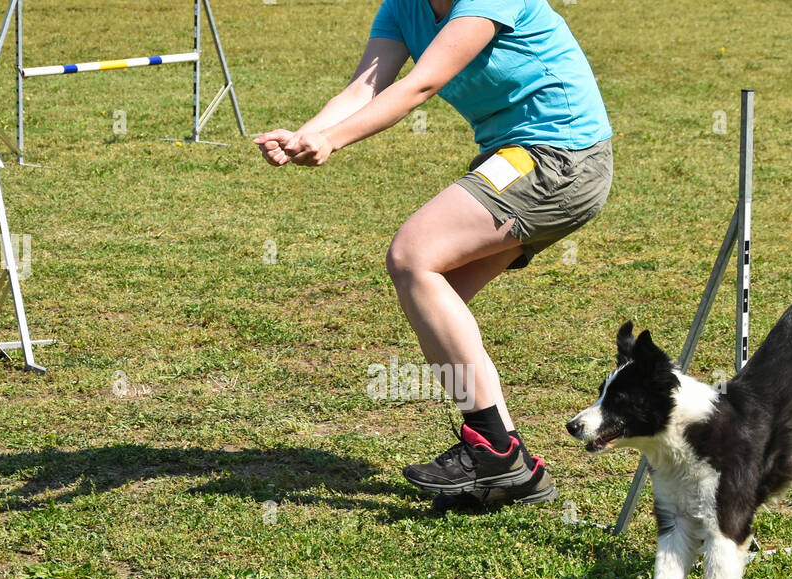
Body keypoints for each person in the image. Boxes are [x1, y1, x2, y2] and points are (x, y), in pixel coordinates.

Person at [256, 0, 612, 508]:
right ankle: (513, 469)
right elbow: (366, 86)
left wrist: (333, 141)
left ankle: (491, 447)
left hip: (562, 157)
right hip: (512, 157)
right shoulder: (401, 7)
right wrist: (308, 134)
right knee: (434, 299)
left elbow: (421, 84)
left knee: (412, 255)